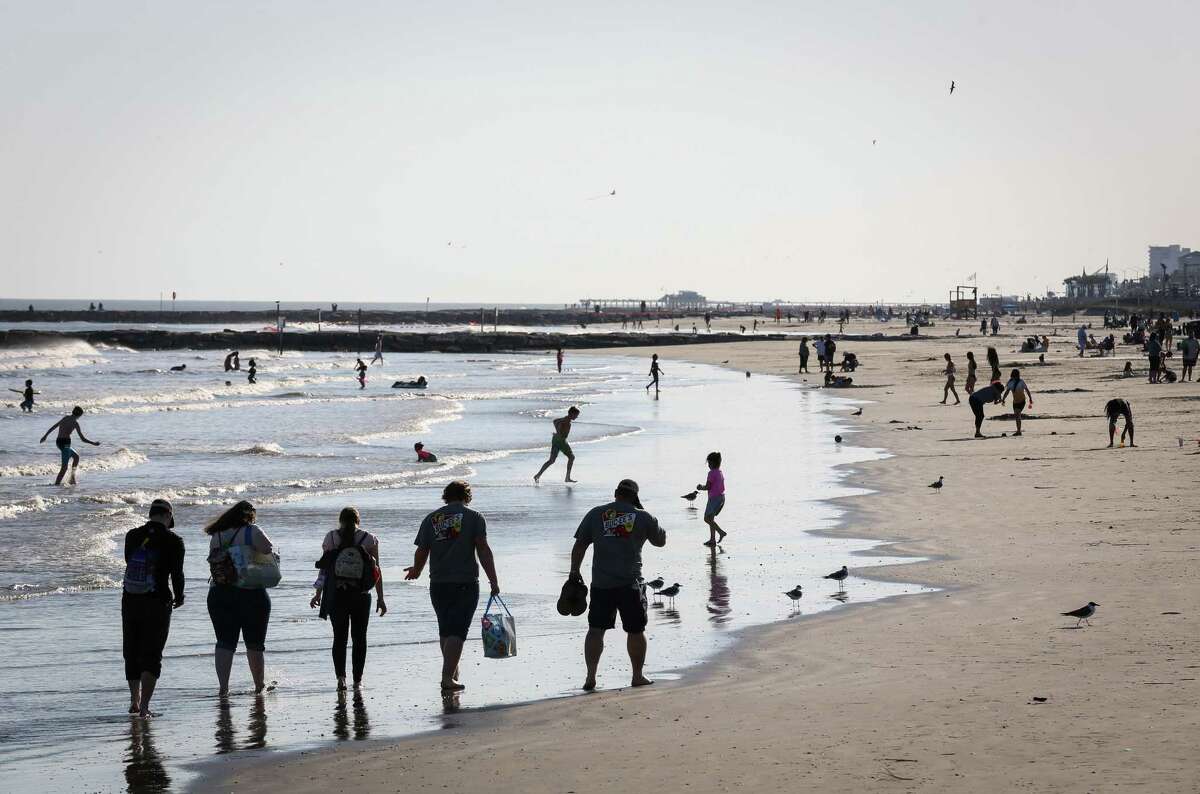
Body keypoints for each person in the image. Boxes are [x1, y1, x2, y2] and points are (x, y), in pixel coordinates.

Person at [570, 479, 666, 691]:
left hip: (601, 584)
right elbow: (660, 541)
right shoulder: (643, 516)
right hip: (630, 584)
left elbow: (580, 545)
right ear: (634, 496)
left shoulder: (596, 514)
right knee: (636, 630)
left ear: (616, 493)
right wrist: (647, 518)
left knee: (595, 630)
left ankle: (590, 677)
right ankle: (637, 676)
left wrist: (574, 571)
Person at [405, 480, 499, 691]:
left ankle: (452, 671)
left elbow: (422, 550)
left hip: (438, 583)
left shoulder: (432, 518)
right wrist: (493, 580)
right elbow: (482, 549)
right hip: (465, 582)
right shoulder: (474, 517)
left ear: (446, 496)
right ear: (467, 496)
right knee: (458, 630)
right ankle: (447, 676)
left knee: (446, 630)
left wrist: (416, 570)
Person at [310, 507, 387, 690]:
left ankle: (341, 679)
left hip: (337, 595)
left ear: (340, 520)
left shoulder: (331, 537)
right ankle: (358, 681)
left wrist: (318, 593)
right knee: (360, 638)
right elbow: (376, 571)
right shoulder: (369, 539)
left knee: (339, 638)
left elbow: (325, 568)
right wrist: (381, 598)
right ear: (358, 520)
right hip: (361, 595)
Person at [121, 499, 185, 718]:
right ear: (168, 517)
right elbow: (177, 574)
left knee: (132, 649)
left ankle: (134, 701)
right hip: (158, 601)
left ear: (150, 514)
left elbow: (129, 560)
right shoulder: (174, 541)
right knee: (152, 652)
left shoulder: (132, 535)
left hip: (130, 598)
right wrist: (179, 596)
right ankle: (146, 706)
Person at [205, 501, 275, 696]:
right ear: (250, 516)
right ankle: (259, 685)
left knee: (225, 642)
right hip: (251, 591)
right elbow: (268, 549)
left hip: (219, 592)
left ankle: (223, 688)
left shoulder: (217, 535)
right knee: (254, 642)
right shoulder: (251, 531)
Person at [40, 406, 100, 485]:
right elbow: (82, 439)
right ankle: (56, 485)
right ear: (79, 415)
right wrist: (93, 443)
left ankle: (72, 478)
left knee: (76, 457)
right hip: (65, 444)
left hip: (59, 442)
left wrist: (45, 436)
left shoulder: (65, 418)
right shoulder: (75, 423)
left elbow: (54, 427)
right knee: (64, 468)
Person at [533, 406, 580, 483]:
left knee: (551, 460)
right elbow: (558, 424)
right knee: (571, 457)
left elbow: (555, 421)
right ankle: (567, 478)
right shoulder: (566, 421)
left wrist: (557, 431)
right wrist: (559, 432)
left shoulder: (565, 419)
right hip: (561, 441)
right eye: (576, 415)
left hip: (556, 440)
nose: (577, 417)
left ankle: (538, 475)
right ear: (571, 414)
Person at [696, 452, 726, 546]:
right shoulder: (719, 472)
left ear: (712, 463)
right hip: (721, 497)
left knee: (706, 518)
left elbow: (708, 487)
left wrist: (701, 487)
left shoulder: (711, 473)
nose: (708, 465)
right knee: (711, 519)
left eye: (709, 463)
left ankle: (721, 532)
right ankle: (712, 539)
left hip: (714, 498)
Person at [1001, 368, 1034, 436]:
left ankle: (1019, 431)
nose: (1015, 377)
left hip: (1022, 401)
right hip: (1015, 402)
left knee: (1017, 414)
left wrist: (1030, 398)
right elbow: (1007, 392)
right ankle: (1018, 430)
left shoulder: (1021, 382)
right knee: (1017, 416)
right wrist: (1003, 399)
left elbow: (1027, 390)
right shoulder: (1010, 383)